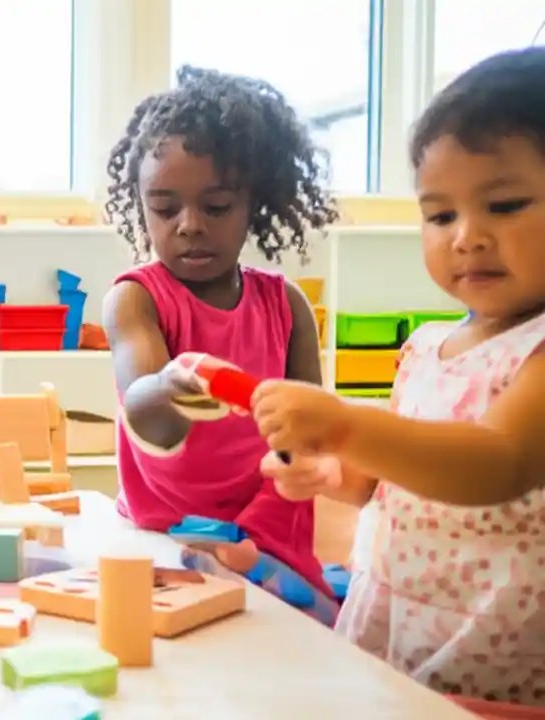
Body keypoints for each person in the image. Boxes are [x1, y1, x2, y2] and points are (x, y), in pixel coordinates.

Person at [255, 47, 545, 706]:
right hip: (394, 646)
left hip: (494, 678)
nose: (466, 236)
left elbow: (494, 464)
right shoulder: (426, 348)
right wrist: (335, 472)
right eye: (440, 215)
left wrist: (346, 425)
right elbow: (394, 480)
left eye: (504, 205)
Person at [101, 65, 339, 607]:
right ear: (142, 205)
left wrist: (262, 525)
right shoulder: (137, 298)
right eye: (165, 208)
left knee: (300, 630)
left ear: (255, 203)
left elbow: (310, 430)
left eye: (216, 207)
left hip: (268, 530)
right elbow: (143, 408)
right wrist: (173, 386)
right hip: (165, 533)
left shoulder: (286, 305)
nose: (189, 224)